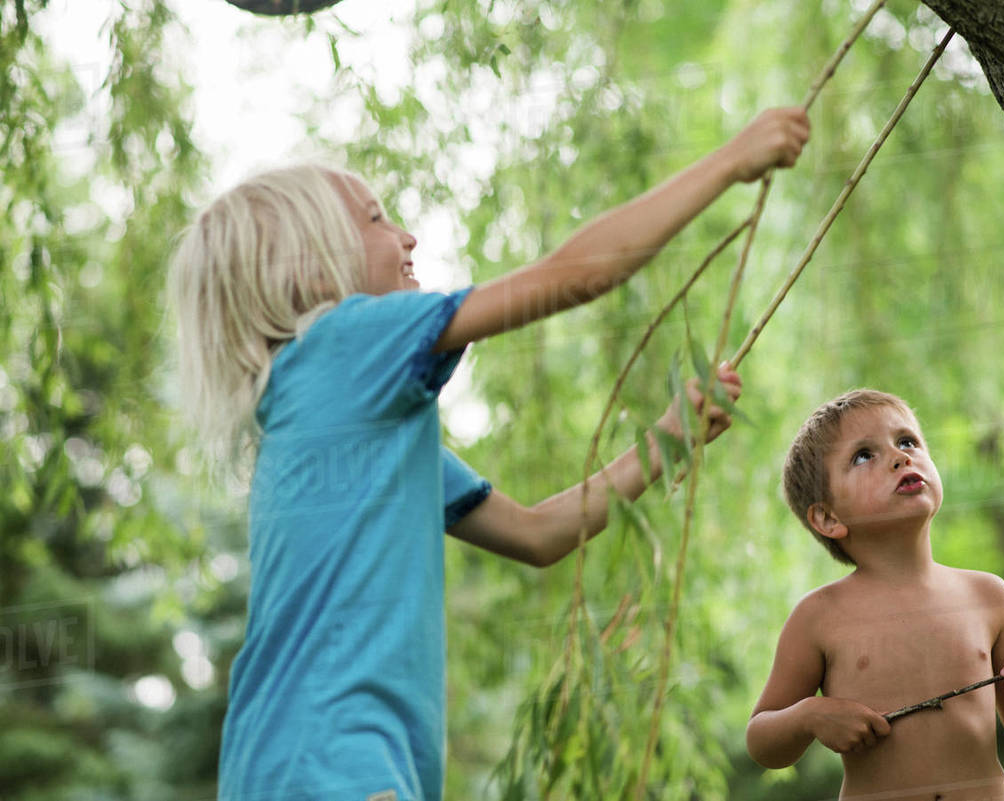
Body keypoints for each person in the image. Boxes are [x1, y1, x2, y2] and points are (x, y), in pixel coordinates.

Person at [167, 106, 811, 801]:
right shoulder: (344, 342)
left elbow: (535, 534)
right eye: (377, 220)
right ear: (312, 268)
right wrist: (729, 162)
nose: (406, 234)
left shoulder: (344, 420)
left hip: (292, 760)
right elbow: (577, 275)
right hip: (334, 757)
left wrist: (664, 443)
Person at [747, 389, 1004, 800]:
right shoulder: (819, 616)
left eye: (907, 441)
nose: (900, 457)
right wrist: (809, 716)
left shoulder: (988, 595)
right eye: (864, 455)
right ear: (829, 517)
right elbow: (761, 738)